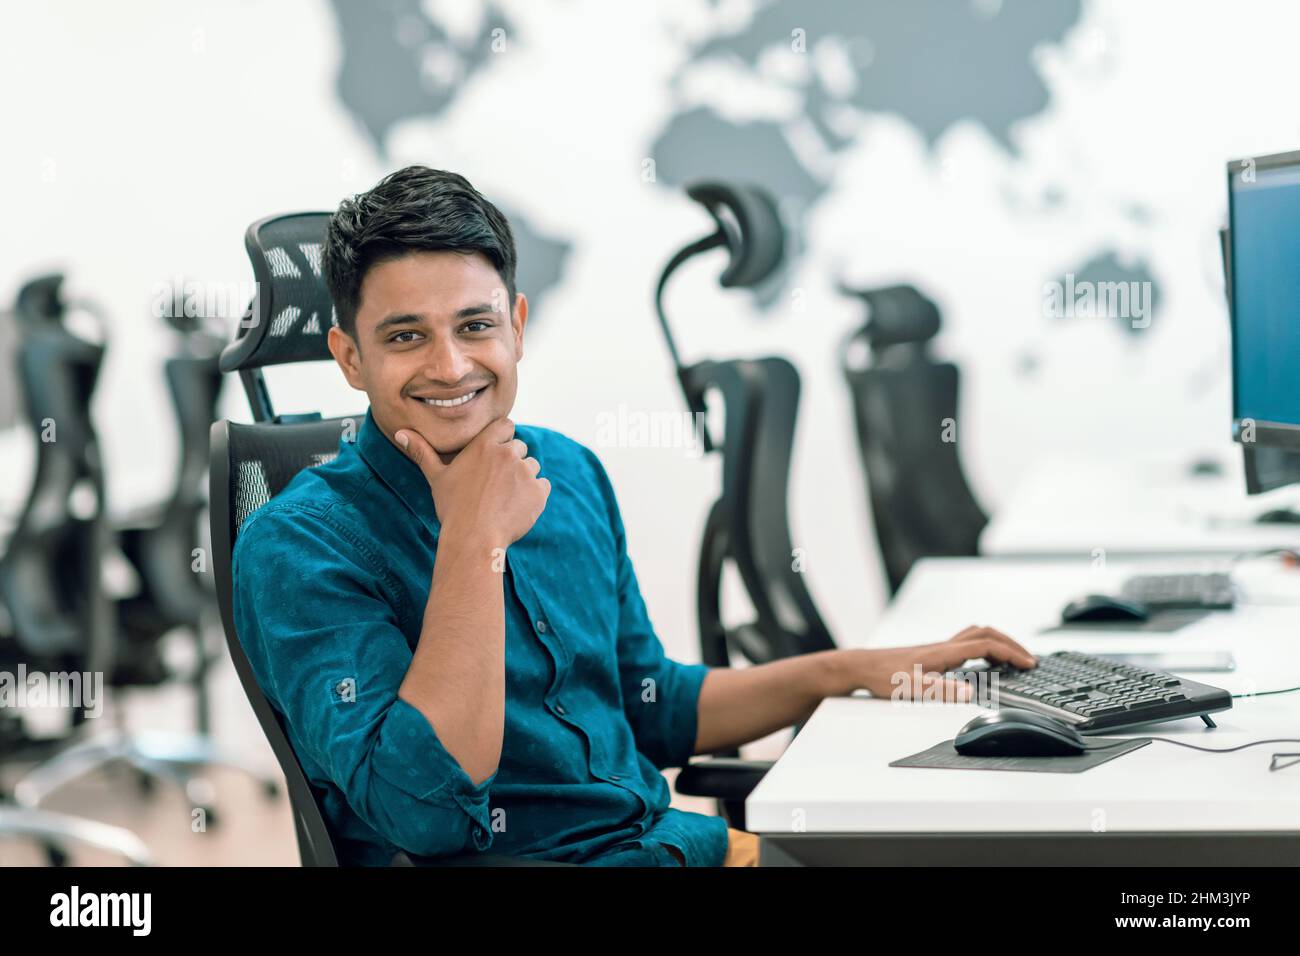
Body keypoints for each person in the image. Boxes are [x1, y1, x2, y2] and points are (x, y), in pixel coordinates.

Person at [231, 166, 1035, 867]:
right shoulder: (297, 546)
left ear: (515, 326)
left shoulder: (571, 473)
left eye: (475, 326)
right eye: (406, 336)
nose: (451, 366)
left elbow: (648, 702)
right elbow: (426, 811)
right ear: (349, 358)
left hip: (678, 848)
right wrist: (474, 540)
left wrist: (849, 670)